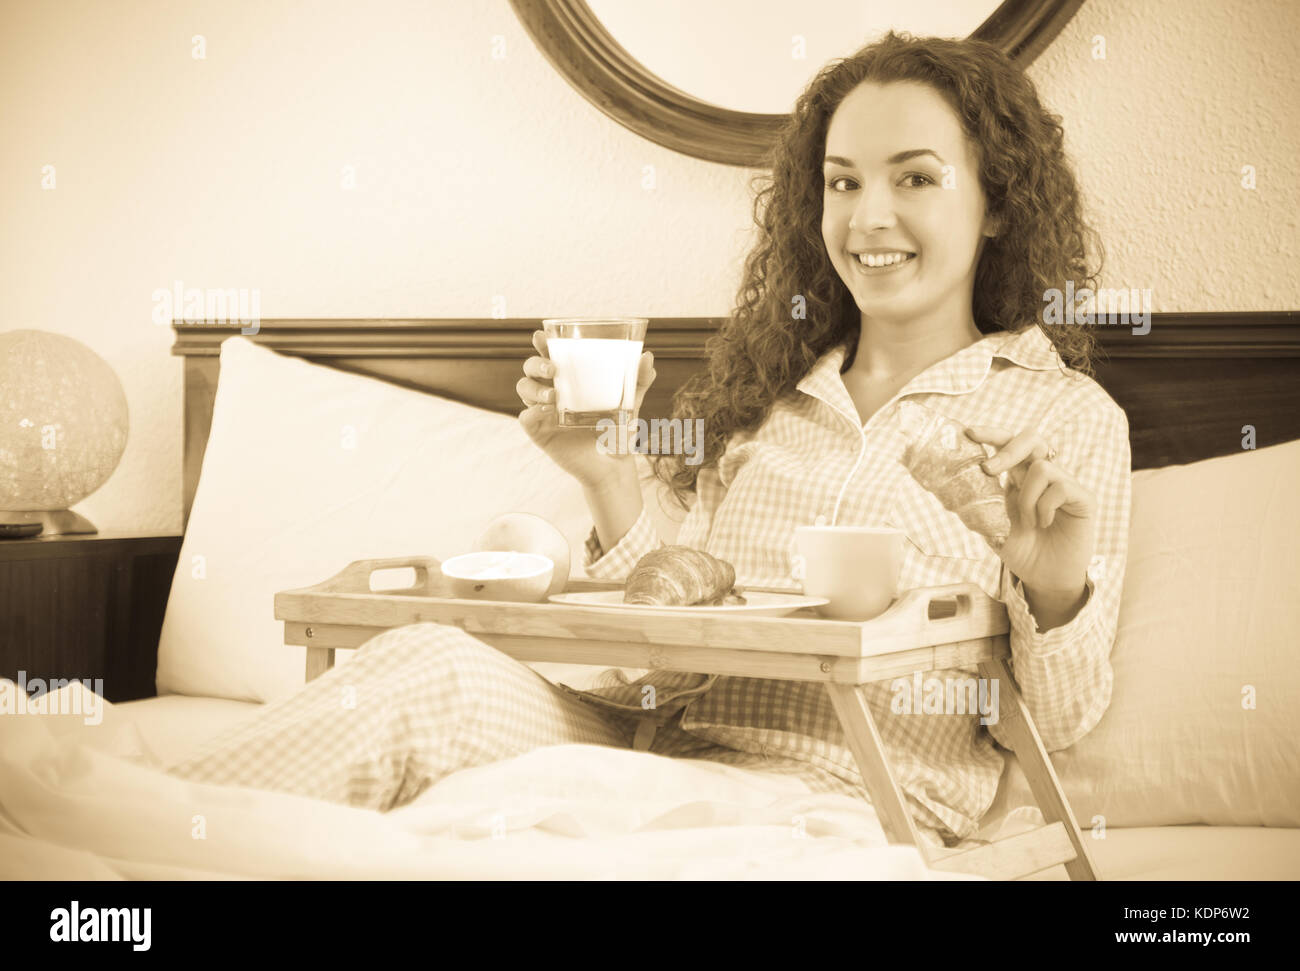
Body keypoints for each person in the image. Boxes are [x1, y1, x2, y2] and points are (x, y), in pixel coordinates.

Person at [168, 32, 1130, 849]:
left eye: (914, 177)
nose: (868, 217)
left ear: (998, 200)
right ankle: (112, 831)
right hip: (654, 750)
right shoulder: (769, 397)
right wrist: (604, 475)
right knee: (430, 665)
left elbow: (1058, 723)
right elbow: (672, 662)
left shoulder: (1061, 418)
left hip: (848, 808)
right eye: (842, 183)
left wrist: (1052, 583)